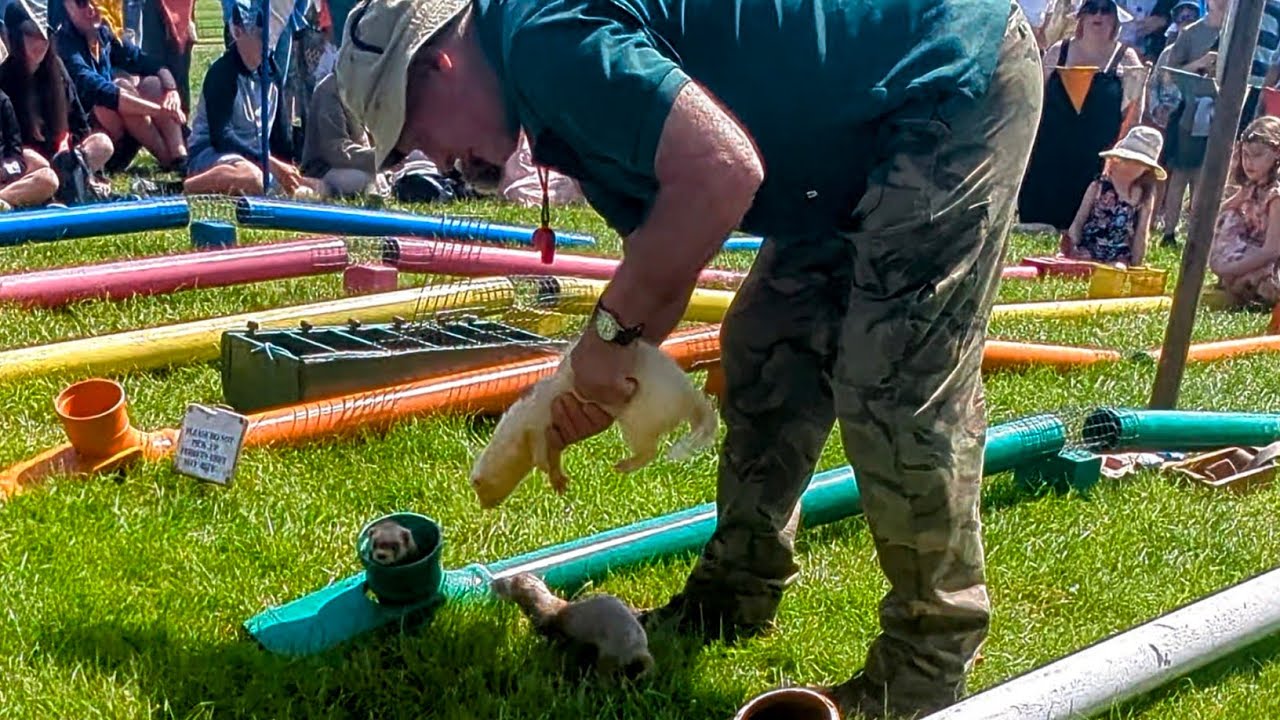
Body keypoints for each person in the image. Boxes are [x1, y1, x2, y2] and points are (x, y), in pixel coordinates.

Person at [335, 0, 1044, 715]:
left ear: (439, 66)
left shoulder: (546, 43)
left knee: (894, 377)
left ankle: (926, 663)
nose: (433, 158)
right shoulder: (544, 80)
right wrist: (595, 384)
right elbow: (664, 257)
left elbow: (722, 172)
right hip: (853, 127)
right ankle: (734, 592)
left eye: (412, 132)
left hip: (949, 78)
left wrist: (607, 341)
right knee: (767, 345)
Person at [1017, 0, 1144, 231]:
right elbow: (1034, 99)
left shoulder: (1127, 59)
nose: (1098, 15)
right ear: (1081, 16)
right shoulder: (1058, 51)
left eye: (1106, 10)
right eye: (1092, 8)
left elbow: (1133, 114)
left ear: (1115, 19)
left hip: (1095, 156)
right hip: (1049, 154)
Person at [184, 2, 323, 198]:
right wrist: (270, 162)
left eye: (270, 36)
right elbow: (223, 138)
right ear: (238, 32)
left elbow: (280, 139)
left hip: (256, 159)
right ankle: (189, 186)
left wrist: (288, 166)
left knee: (318, 187)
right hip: (214, 154)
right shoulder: (222, 74)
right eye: (260, 36)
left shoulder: (272, 73)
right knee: (253, 180)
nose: (268, 43)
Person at [55, 0, 187, 172]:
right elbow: (100, 91)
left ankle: (180, 156)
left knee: (153, 83)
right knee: (116, 92)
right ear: (66, 7)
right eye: (81, 3)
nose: (90, 9)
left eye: (96, 1)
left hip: (127, 133)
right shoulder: (64, 43)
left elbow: (148, 62)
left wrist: (171, 90)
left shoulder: (104, 33)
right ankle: (168, 159)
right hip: (98, 144)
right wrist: (158, 110)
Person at [0, 2, 114, 182]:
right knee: (32, 159)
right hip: (27, 158)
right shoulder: (4, 76)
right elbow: (11, 143)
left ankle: (75, 179)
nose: (42, 42)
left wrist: (66, 144)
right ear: (15, 36)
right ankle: (67, 183)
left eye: (46, 34)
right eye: (32, 35)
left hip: (62, 155)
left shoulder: (57, 69)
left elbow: (80, 124)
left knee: (102, 144)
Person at [1157, 0, 1221, 248]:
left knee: (1207, 176)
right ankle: (1170, 233)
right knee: (1181, 174)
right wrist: (1202, 63)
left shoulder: (1237, 34)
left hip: (1222, 115)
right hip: (1190, 112)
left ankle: (1200, 234)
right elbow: (1171, 71)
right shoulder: (1191, 32)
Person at [1061, 126, 1163, 266]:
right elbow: (1079, 221)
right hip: (1089, 248)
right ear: (1115, 159)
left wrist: (1136, 263)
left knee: (1117, 268)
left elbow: (1141, 232)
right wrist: (1071, 247)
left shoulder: (1143, 197)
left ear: (1147, 169)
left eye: (1138, 163)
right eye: (1125, 160)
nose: (1129, 166)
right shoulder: (1098, 187)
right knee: (1083, 262)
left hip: (1118, 255)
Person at [1210, 116, 1280, 308]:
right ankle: (1240, 283)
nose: (1249, 162)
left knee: (1248, 283)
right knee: (1229, 217)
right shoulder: (1252, 186)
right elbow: (1222, 211)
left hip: (1272, 261)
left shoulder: (1276, 196)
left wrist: (1233, 268)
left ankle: (1256, 288)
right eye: (1245, 155)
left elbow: (1273, 250)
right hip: (1254, 251)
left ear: (1277, 153)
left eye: (1257, 155)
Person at [298, 71, 378, 197]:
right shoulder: (330, 90)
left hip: (361, 164)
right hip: (325, 169)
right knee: (370, 179)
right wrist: (380, 158)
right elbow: (336, 151)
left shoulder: (364, 89)